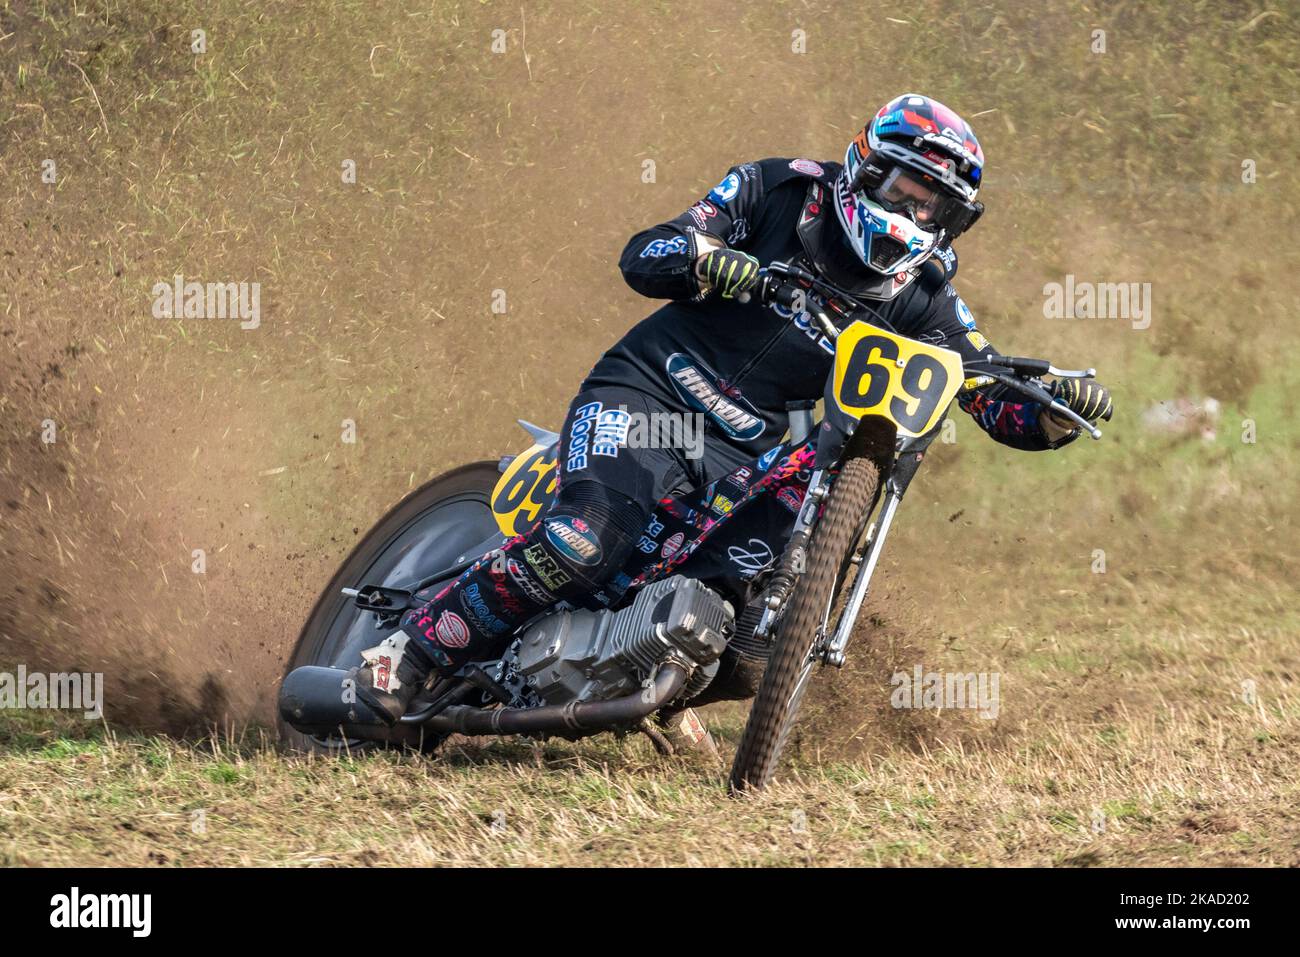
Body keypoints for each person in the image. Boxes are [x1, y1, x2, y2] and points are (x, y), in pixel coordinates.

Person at [353, 94, 1115, 748]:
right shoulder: (777, 190)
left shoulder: (927, 297)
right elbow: (644, 253)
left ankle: (653, 671)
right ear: (866, 168)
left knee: (754, 630)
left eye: (933, 208)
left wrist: (1054, 411)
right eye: (906, 191)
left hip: (738, 452)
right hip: (648, 394)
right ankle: (410, 653)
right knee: (585, 539)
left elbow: (985, 386)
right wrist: (704, 259)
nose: (914, 216)